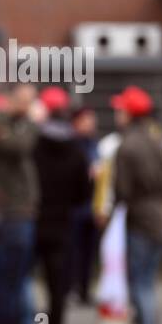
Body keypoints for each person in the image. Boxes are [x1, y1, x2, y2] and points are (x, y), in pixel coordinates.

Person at [111, 86, 162, 324]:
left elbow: (122, 191)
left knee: (140, 283)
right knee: (149, 281)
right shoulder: (158, 143)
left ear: (128, 113)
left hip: (140, 221)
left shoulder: (127, 147)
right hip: (161, 218)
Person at [0, 83, 39, 324]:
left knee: (11, 276)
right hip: (10, 214)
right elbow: (19, 147)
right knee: (9, 276)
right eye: (27, 101)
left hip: (14, 213)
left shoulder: (8, 125)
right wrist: (32, 122)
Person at [32, 87, 91, 324]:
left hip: (34, 220)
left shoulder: (33, 145)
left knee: (23, 279)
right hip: (62, 224)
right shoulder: (77, 150)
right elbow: (82, 193)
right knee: (57, 284)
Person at [70, 107, 100, 305]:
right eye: (86, 120)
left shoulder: (95, 145)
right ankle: (71, 288)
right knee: (73, 251)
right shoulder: (71, 145)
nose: (90, 124)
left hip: (92, 208)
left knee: (89, 253)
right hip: (75, 208)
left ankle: (84, 289)